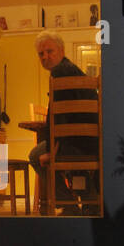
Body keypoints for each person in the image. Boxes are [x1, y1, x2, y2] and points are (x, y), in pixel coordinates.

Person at [28, 33, 99, 213]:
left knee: (36, 155)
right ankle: (90, 201)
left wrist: (52, 151)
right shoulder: (73, 70)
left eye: (49, 51)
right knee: (66, 156)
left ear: (61, 51)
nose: (45, 57)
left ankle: (70, 205)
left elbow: (56, 119)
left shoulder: (60, 73)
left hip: (75, 144)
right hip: (92, 142)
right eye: (41, 54)